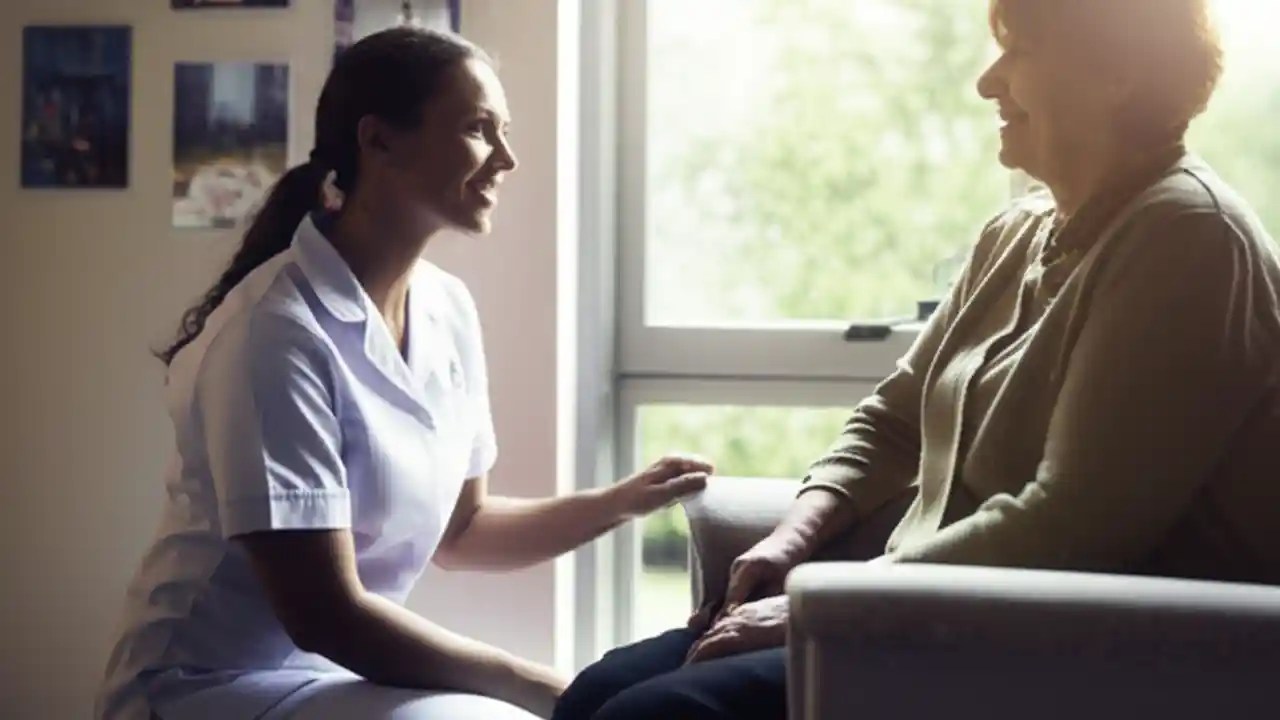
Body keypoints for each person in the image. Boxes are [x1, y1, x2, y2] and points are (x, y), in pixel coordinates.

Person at [554, 1, 1280, 718]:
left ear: (1117, 72)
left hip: (1065, 649)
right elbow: (894, 420)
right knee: (596, 692)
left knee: (653, 716)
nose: (988, 82)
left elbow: (1069, 521)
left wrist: (832, 604)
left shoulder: (1188, 238)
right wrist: (794, 539)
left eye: (1018, 51)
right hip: (917, 616)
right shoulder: (1018, 229)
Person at [97, 27, 711, 720]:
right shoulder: (272, 334)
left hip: (335, 677)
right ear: (378, 141)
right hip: (205, 687)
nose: (506, 158)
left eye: (504, 131)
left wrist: (623, 500)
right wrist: (545, 687)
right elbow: (326, 615)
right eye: (480, 129)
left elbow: (464, 530)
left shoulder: (446, 307)